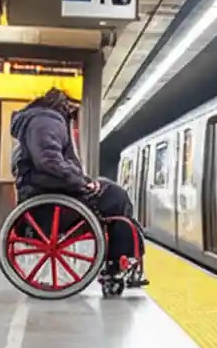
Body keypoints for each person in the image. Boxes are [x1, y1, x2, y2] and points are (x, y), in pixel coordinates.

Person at [10, 87, 144, 283]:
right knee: (116, 197)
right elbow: (50, 162)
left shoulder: (37, 121)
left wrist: (83, 181)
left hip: (44, 193)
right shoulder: (49, 121)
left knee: (108, 190)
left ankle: (119, 259)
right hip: (53, 202)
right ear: (64, 105)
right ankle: (119, 260)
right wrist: (81, 183)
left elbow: (50, 163)